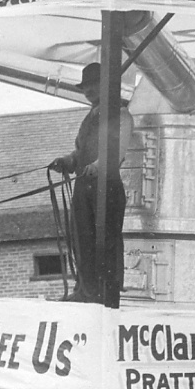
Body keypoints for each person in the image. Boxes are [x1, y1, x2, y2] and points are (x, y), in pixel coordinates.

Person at [49, 62, 131, 306]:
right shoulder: (89, 118)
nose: (88, 91)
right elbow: (80, 151)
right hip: (83, 187)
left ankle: (107, 292)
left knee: (106, 241)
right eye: (85, 87)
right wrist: (67, 161)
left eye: (93, 85)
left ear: (106, 85)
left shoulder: (121, 115)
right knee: (82, 239)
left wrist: (98, 165)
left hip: (107, 187)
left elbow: (117, 152)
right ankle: (85, 291)